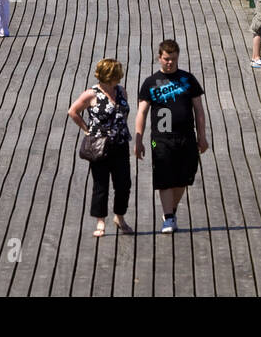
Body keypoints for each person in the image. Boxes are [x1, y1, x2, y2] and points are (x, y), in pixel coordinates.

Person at [135, 39, 207, 233]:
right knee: (165, 177)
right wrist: (138, 139)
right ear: (159, 58)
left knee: (184, 177)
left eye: (173, 59)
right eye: (166, 59)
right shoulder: (150, 83)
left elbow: (198, 109)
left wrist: (202, 135)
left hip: (186, 136)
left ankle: (171, 210)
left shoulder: (188, 79)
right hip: (161, 138)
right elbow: (141, 112)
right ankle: (168, 217)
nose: (170, 63)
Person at [67, 58, 133, 237]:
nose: (119, 78)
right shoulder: (91, 94)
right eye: (116, 75)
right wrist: (87, 130)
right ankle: (100, 222)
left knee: (124, 184)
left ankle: (119, 217)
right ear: (108, 76)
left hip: (120, 144)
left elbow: (124, 112)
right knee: (101, 185)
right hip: (99, 146)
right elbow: (73, 112)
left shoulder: (121, 91)